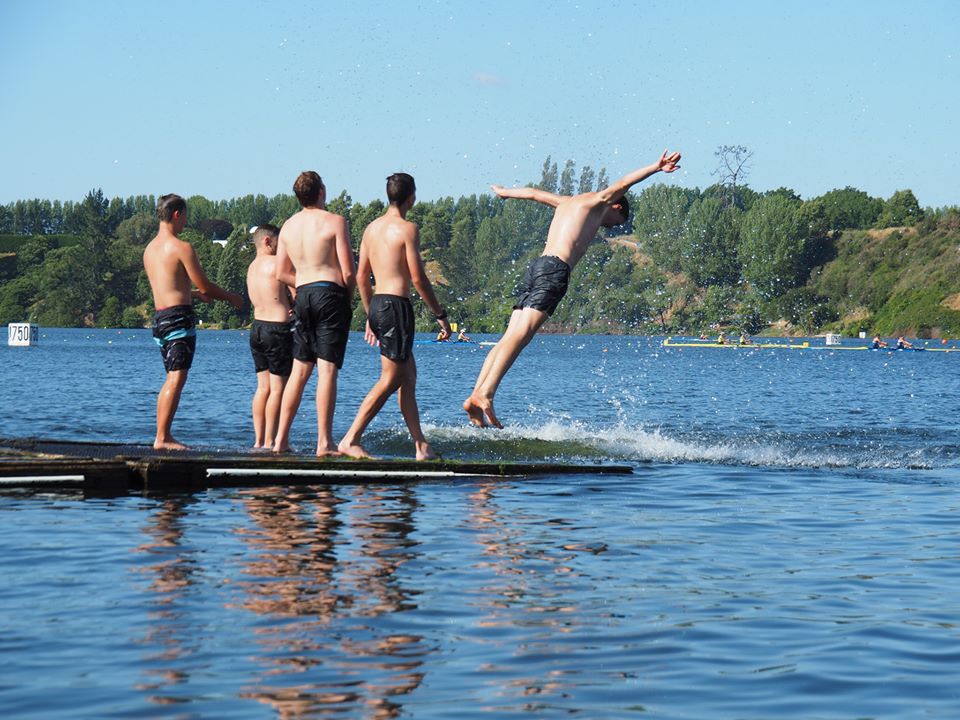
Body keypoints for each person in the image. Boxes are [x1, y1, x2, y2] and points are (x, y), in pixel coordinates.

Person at [463, 150, 681, 428]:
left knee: (510, 336)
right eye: (617, 223)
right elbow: (625, 183)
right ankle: (486, 394)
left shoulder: (566, 201)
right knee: (521, 336)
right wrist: (656, 167)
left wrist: (505, 192)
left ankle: (476, 393)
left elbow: (533, 193)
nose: (612, 228)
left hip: (538, 266)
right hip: (555, 271)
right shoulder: (599, 201)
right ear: (616, 207)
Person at [338, 173, 451, 460]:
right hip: (396, 306)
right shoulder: (407, 229)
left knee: (408, 376)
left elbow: (362, 276)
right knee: (391, 379)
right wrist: (440, 313)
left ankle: (421, 446)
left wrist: (370, 314)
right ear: (412, 196)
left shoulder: (371, 229)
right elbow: (418, 278)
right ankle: (351, 439)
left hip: (378, 304)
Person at [143, 194, 244, 450]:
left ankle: (162, 435)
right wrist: (232, 298)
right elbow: (206, 285)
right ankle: (163, 438)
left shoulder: (149, 250)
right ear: (177, 214)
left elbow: (169, 286)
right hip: (178, 320)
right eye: (185, 217)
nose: (186, 222)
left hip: (160, 319)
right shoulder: (182, 247)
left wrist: (195, 295)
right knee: (176, 379)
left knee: (171, 377)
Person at [272, 171, 356, 455]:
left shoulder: (287, 227)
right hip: (330, 294)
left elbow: (282, 272)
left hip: (304, 294)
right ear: (321, 191)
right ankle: (325, 442)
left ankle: (280, 441)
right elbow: (347, 271)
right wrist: (349, 297)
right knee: (327, 370)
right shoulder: (335, 222)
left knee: (299, 371)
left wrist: (305, 285)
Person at [246, 224, 293, 449]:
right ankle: (272, 441)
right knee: (278, 389)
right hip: (277, 330)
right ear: (267, 241)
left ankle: (258, 441)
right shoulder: (276, 264)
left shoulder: (251, 268)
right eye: (277, 242)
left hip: (257, 329)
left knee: (262, 388)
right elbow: (297, 289)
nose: (279, 247)